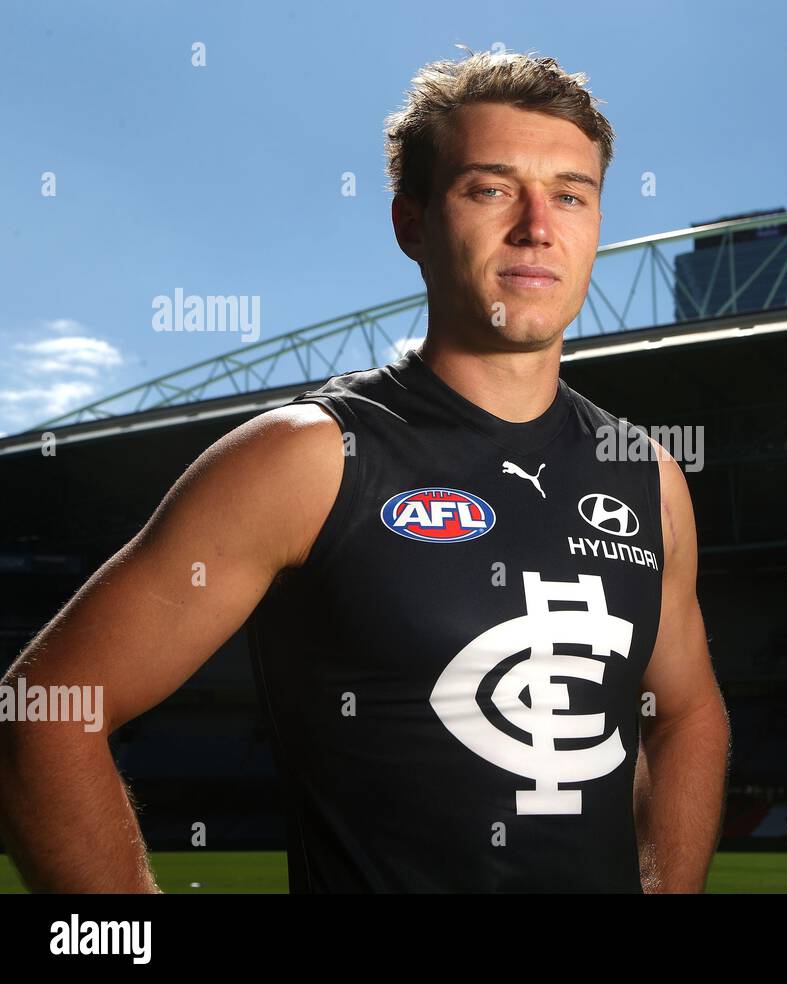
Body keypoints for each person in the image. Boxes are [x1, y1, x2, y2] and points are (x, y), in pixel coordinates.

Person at [0, 46, 730, 893]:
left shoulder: (646, 476)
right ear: (411, 223)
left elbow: (686, 712)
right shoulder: (307, 456)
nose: (539, 225)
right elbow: (44, 713)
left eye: (571, 194)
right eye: (491, 188)